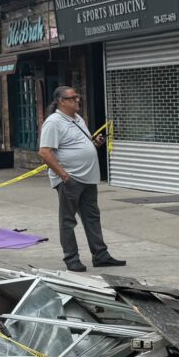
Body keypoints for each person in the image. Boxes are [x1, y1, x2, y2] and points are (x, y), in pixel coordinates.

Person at [38, 85, 124, 272]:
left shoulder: (77, 119)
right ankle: (72, 258)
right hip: (70, 179)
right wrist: (64, 176)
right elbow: (45, 152)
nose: (78, 100)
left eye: (77, 97)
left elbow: (77, 144)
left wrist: (95, 144)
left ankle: (101, 255)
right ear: (61, 101)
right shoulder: (53, 122)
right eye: (73, 98)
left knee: (92, 217)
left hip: (88, 177)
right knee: (68, 221)